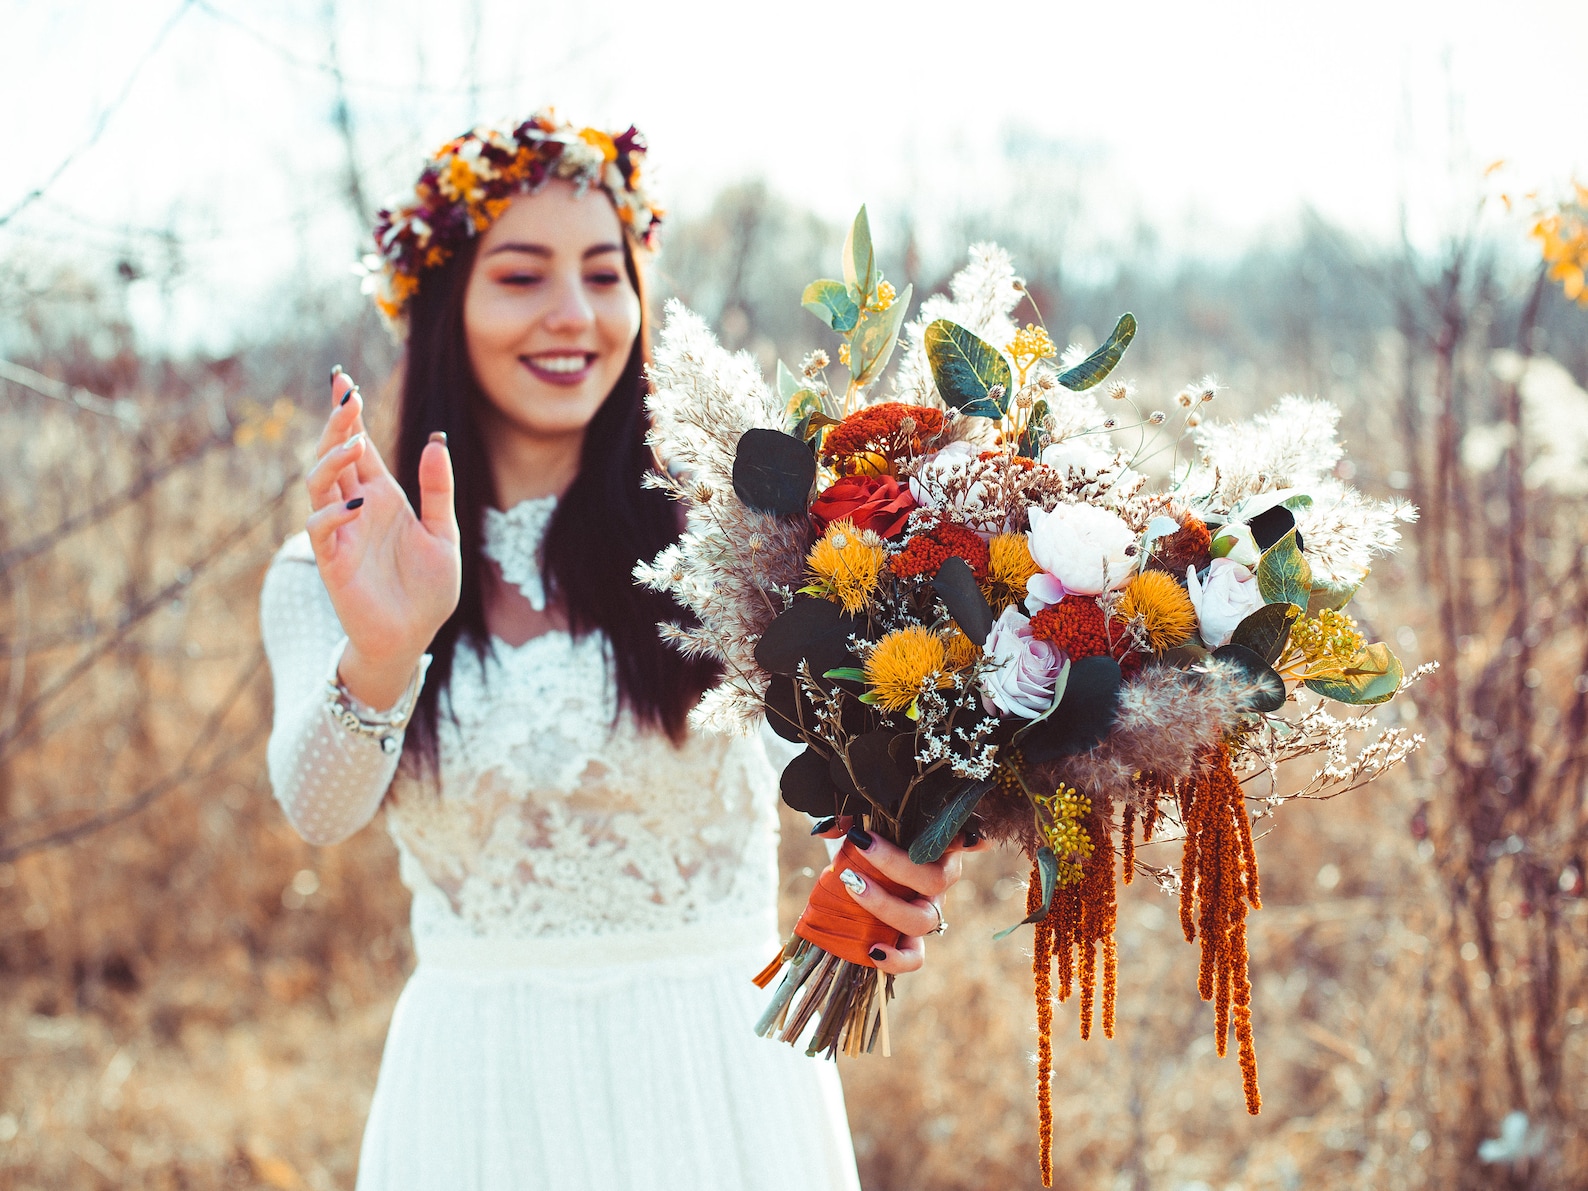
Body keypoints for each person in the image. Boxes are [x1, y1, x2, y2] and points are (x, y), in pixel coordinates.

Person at [260, 113, 983, 1191]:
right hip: (478, 1096)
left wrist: (906, 851)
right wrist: (388, 647)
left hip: (716, 1085)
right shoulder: (337, 565)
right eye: (522, 275)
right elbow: (318, 808)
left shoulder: (742, 536)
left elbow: (897, 755)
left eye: (605, 274)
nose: (574, 315)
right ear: (440, 307)